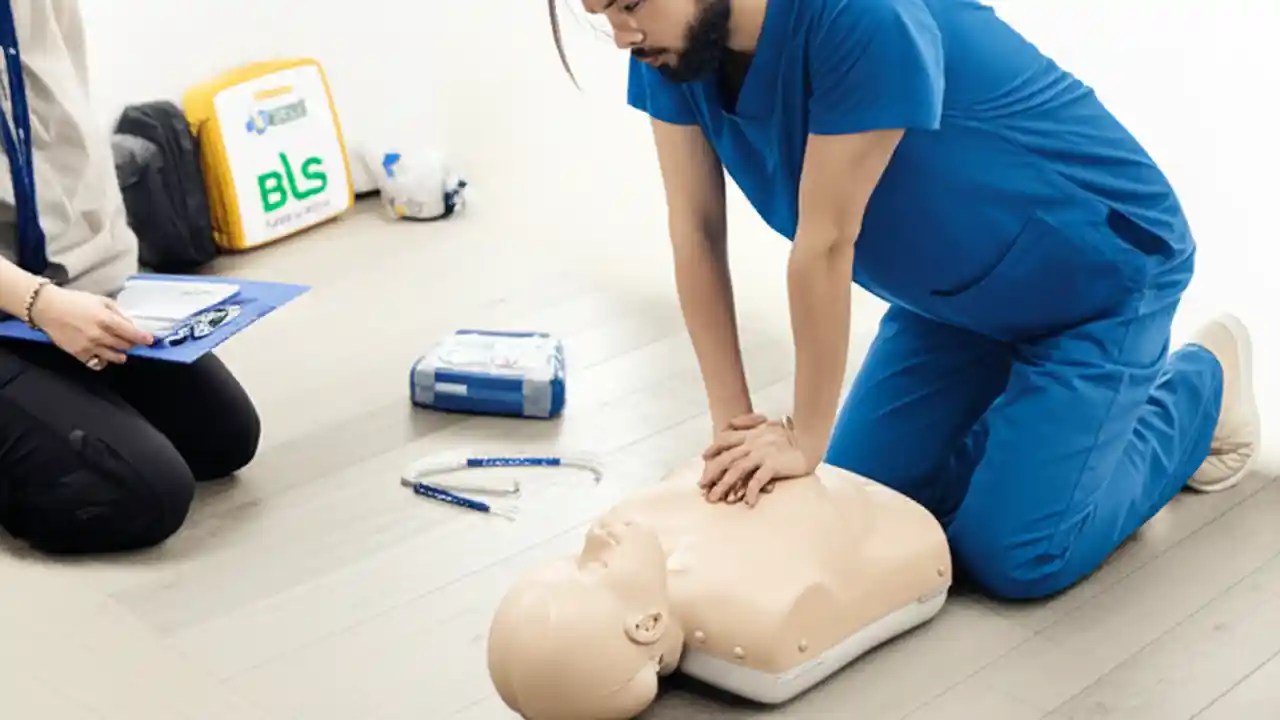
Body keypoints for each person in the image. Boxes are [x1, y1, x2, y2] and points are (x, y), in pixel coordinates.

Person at [554, 0, 1263, 600]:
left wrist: (803, 434)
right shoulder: (677, 51)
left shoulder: (862, 17)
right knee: (869, 504)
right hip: (953, 300)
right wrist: (733, 430)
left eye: (629, 3)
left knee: (1015, 555)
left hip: (1098, 275)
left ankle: (1205, 383)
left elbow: (825, 245)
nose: (621, 35)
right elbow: (697, 233)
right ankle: (1038, 440)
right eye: (599, 13)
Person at [0, 0, 260, 554]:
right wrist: (38, 303)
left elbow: (63, 147)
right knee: (141, 493)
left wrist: (106, 292)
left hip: (38, 290)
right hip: (26, 298)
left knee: (222, 438)